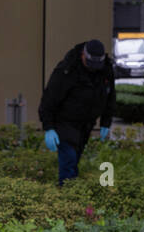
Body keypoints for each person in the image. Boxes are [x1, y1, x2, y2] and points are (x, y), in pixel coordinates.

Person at [38, 38, 116, 185]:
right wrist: (48, 127)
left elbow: (110, 96)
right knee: (69, 160)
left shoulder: (105, 69)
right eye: (90, 64)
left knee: (75, 161)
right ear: (83, 56)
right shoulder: (67, 70)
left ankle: (72, 193)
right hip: (65, 122)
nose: (93, 68)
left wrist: (106, 122)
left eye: (97, 65)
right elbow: (49, 99)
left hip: (86, 124)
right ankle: (67, 195)